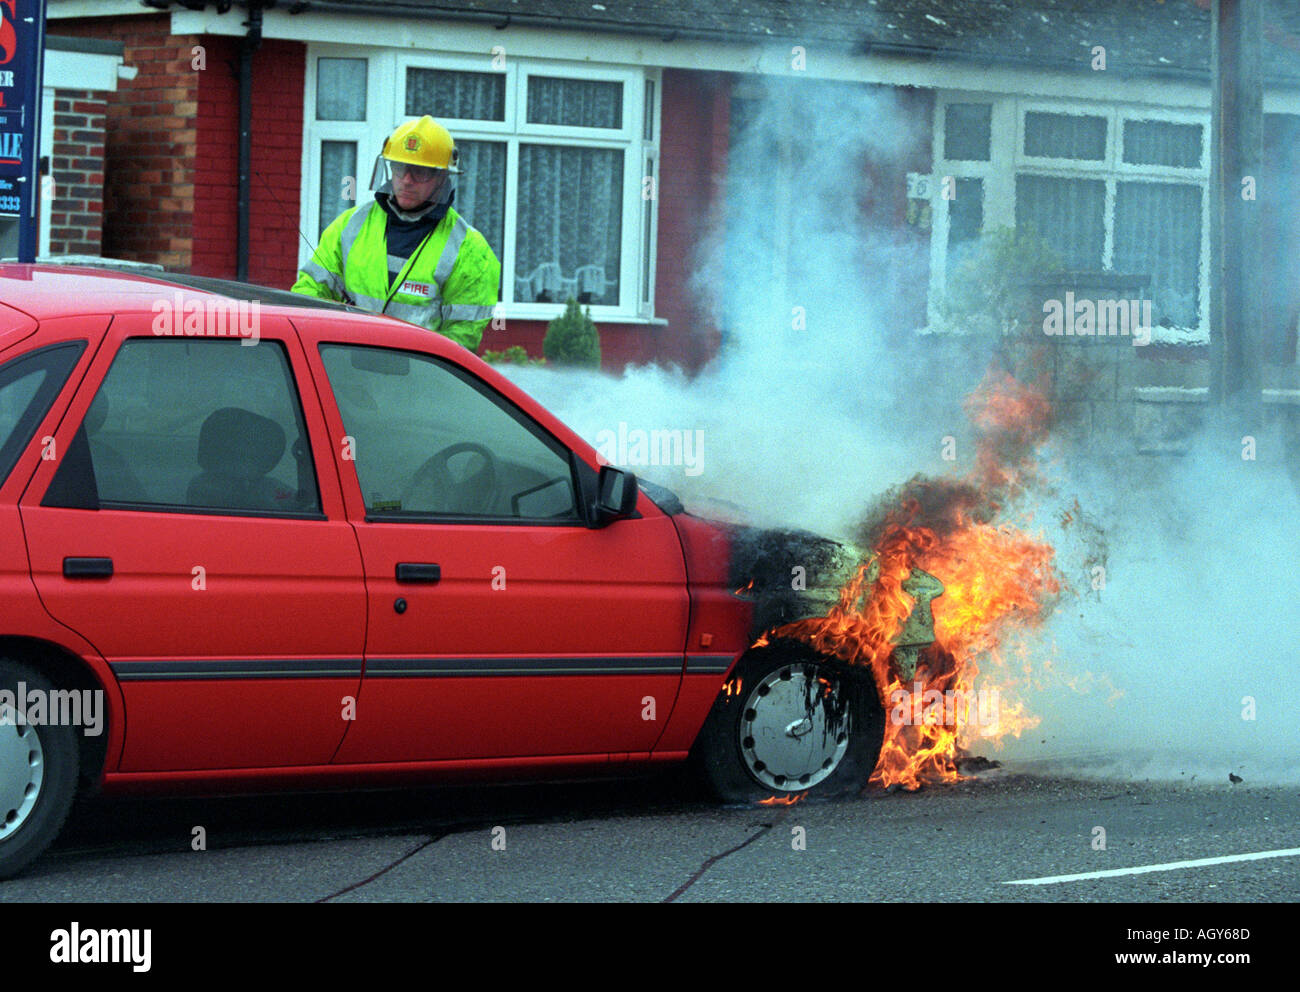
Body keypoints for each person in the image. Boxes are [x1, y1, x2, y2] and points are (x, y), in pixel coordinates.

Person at [292, 116, 499, 351]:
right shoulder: (349, 225)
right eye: (399, 168)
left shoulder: (470, 249)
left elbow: (462, 338)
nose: (406, 180)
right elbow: (309, 293)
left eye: (419, 171)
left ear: (442, 177)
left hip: (416, 382)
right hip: (344, 370)